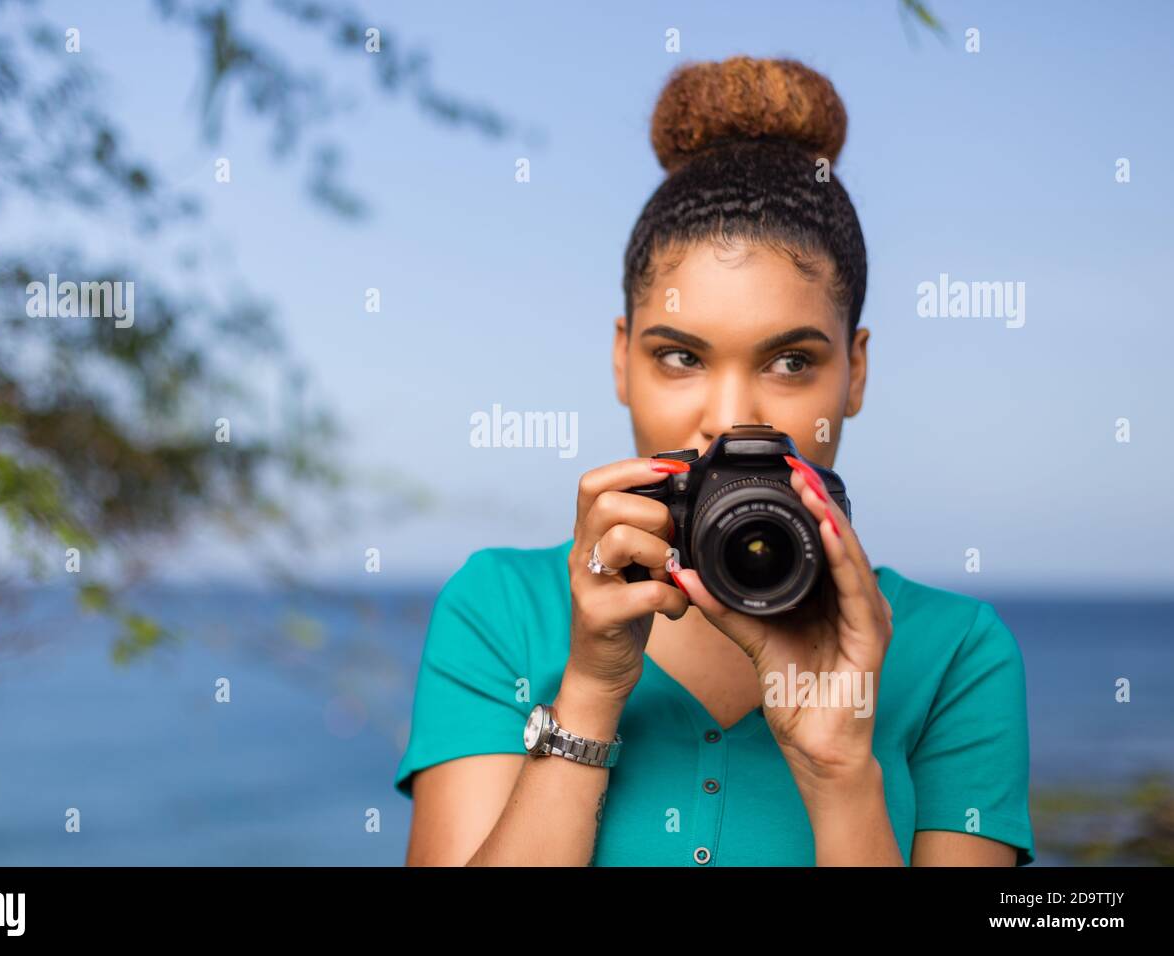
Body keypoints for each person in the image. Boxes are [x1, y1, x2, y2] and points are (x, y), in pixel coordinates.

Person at [393, 54, 1034, 866]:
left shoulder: (955, 654)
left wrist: (838, 769)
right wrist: (589, 693)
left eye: (792, 362)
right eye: (681, 358)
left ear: (856, 372)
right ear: (623, 361)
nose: (730, 422)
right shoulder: (501, 612)